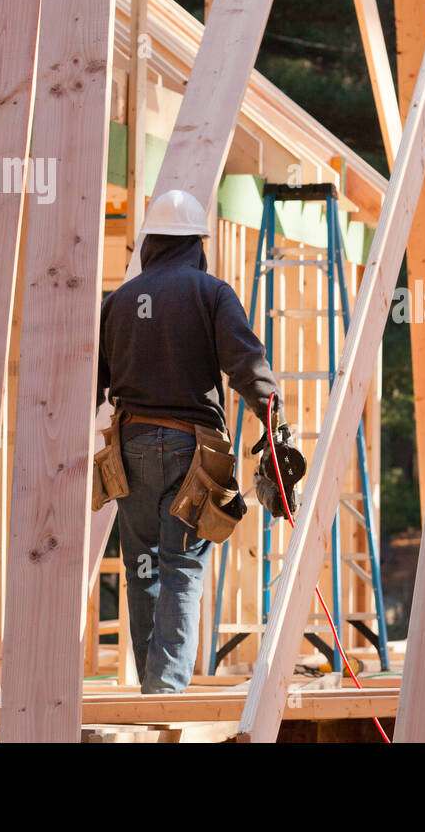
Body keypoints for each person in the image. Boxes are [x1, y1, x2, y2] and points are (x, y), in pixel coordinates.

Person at [96, 188, 280, 693]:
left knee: (142, 567)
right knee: (181, 565)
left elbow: (94, 381)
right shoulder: (211, 293)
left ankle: (153, 691)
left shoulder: (118, 302)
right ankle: (166, 694)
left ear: (150, 244)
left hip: (128, 449)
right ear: (196, 243)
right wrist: (272, 417)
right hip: (189, 452)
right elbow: (245, 364)